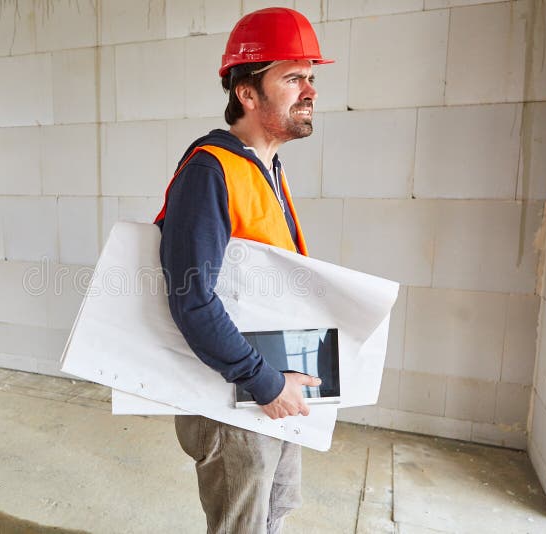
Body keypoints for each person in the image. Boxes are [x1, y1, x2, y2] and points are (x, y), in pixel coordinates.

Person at [153, 7, 333, 534]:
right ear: (247, 94)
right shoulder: (211, 170)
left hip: (269, 386)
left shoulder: (266, 167)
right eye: (293, 77)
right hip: (235, 398)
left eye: (312, 77)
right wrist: (264, 382)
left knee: (277, 512)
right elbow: (192, 298)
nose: (311, 91)